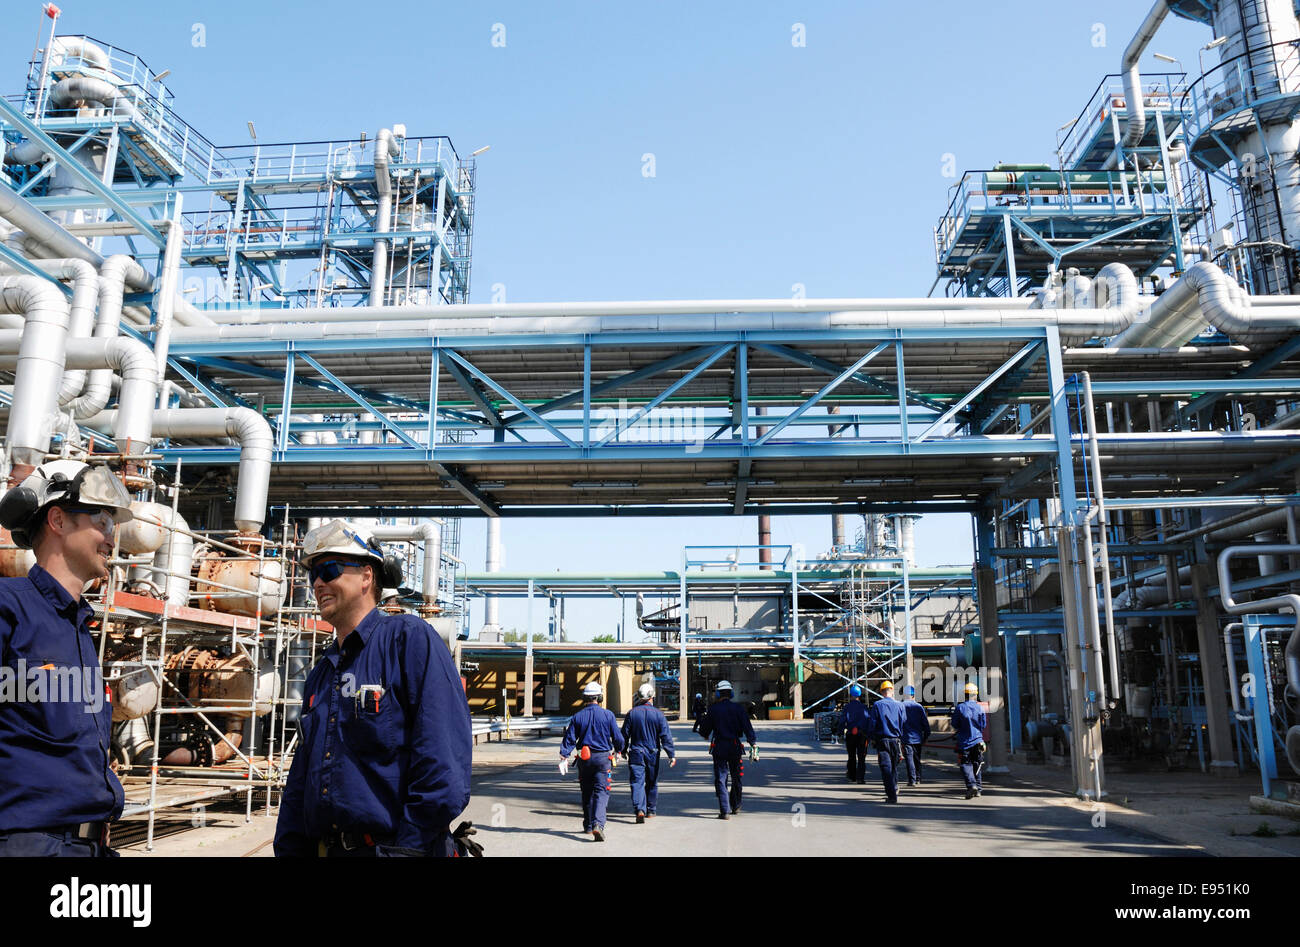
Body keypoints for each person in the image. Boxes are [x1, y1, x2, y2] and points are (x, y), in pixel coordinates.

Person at [274, 519, 475, 857]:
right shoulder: (322, 673)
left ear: (367, 576)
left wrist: (405, 849)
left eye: (330, 569)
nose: (318, 583)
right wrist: (289, 847)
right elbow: (301, 778)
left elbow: (443, 767)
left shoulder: (408, 641)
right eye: (313, 575)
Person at [0, 461, 133, 857]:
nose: (112, 537)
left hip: (88, 844)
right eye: (102, 521)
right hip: (29, 843)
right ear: (57, 519)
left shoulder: (79, 628)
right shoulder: (10, 607)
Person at [559, 680, 624, 841]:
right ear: (599, 697)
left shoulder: (578, 716)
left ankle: (588, 825)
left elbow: (570, 738)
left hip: (584, 759)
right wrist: (619, 749)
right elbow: (618, 738)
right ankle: (598, 824)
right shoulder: (608, 715)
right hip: (603, 758)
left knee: (587, 792)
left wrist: (564, 756)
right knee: (601, 792)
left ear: (585, 697)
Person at [697, 680, 756, 819]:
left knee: (721, 778)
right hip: (735, 746)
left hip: (719, 747)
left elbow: (704, 729)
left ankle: (725, 810)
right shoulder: (739, 709)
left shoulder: (713, 709)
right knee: (736, 777)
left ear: (717, 693)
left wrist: (705, 735)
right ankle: (735, 805)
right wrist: (753, 743)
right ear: (731, 693)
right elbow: (748, 728)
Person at [620, 682, 676, 822]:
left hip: (636, 751)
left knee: (637, 781)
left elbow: (624, 735)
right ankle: (651, 810)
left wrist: (622, 750)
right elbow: (665, 736)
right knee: (651, 781)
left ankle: (639, 809)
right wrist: (671, 754)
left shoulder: (632, 713)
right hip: (652, 752)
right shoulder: (658, 714)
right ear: (652, 697)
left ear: (639, 697)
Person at [866, 680, 907, 803]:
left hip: (883, 741)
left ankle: (892, 795)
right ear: (892, 691)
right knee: (894, 767)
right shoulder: (900, 705)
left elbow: (872, 723)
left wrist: (871, 738)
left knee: (886, 768)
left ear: (882, 692)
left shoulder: (878, 705)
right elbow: (903, 722)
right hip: (896, 740)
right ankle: (894, 788)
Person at [952, 681, 988, 799]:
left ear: (965, 695)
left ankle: (971, 785)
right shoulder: (980, 708)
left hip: (964, 741)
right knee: (977, 764)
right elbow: (983, 725)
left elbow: (955, 724)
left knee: (966, 764)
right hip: (978, 740)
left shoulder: (960, 708)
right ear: (975, 695)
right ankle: (978, 789)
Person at [901, 684, 931, 787]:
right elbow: (925, 723)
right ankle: (918, 778)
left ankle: (912, 780)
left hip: (906, 738)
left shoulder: (901, 706)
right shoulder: (919, 707)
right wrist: (926, 736)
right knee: (917, 758)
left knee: (909, 758)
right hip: (918, 738)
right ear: (913, 696)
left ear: (904, 695)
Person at [841, 684, 870, 784]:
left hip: (850, 735)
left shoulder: (847, 707)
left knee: (851, 756)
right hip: (862, 735)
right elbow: (868, 720)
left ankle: (852, 776)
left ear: (851, 695)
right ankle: (860, 778)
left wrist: (839, 732)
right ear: (860, 695)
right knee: (861, 757)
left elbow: (842, 721)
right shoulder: (864, 707)